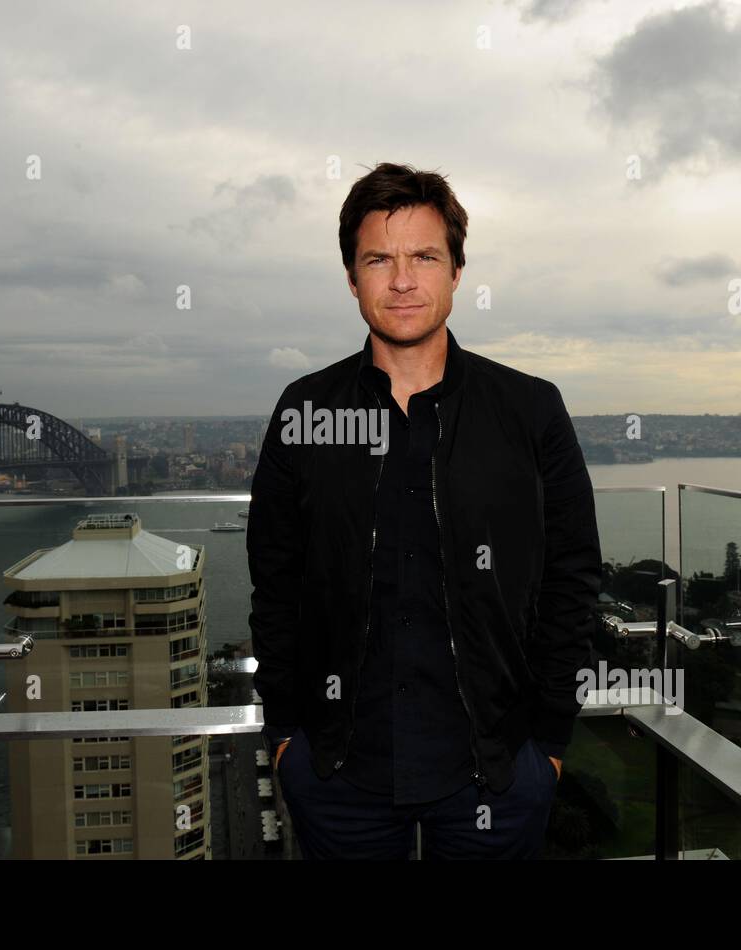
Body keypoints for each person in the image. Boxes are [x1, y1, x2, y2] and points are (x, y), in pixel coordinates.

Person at [248, 162, 601, 859]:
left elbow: (574, 578)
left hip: (496, 775)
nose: (402, 279)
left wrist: (548, 744)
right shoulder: (306, 410)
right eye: (379, 258)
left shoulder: (530, 411)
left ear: (457, 272)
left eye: (424, 257)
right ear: (352, 278)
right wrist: (287, 734)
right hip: (338, 774)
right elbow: (275, 581)